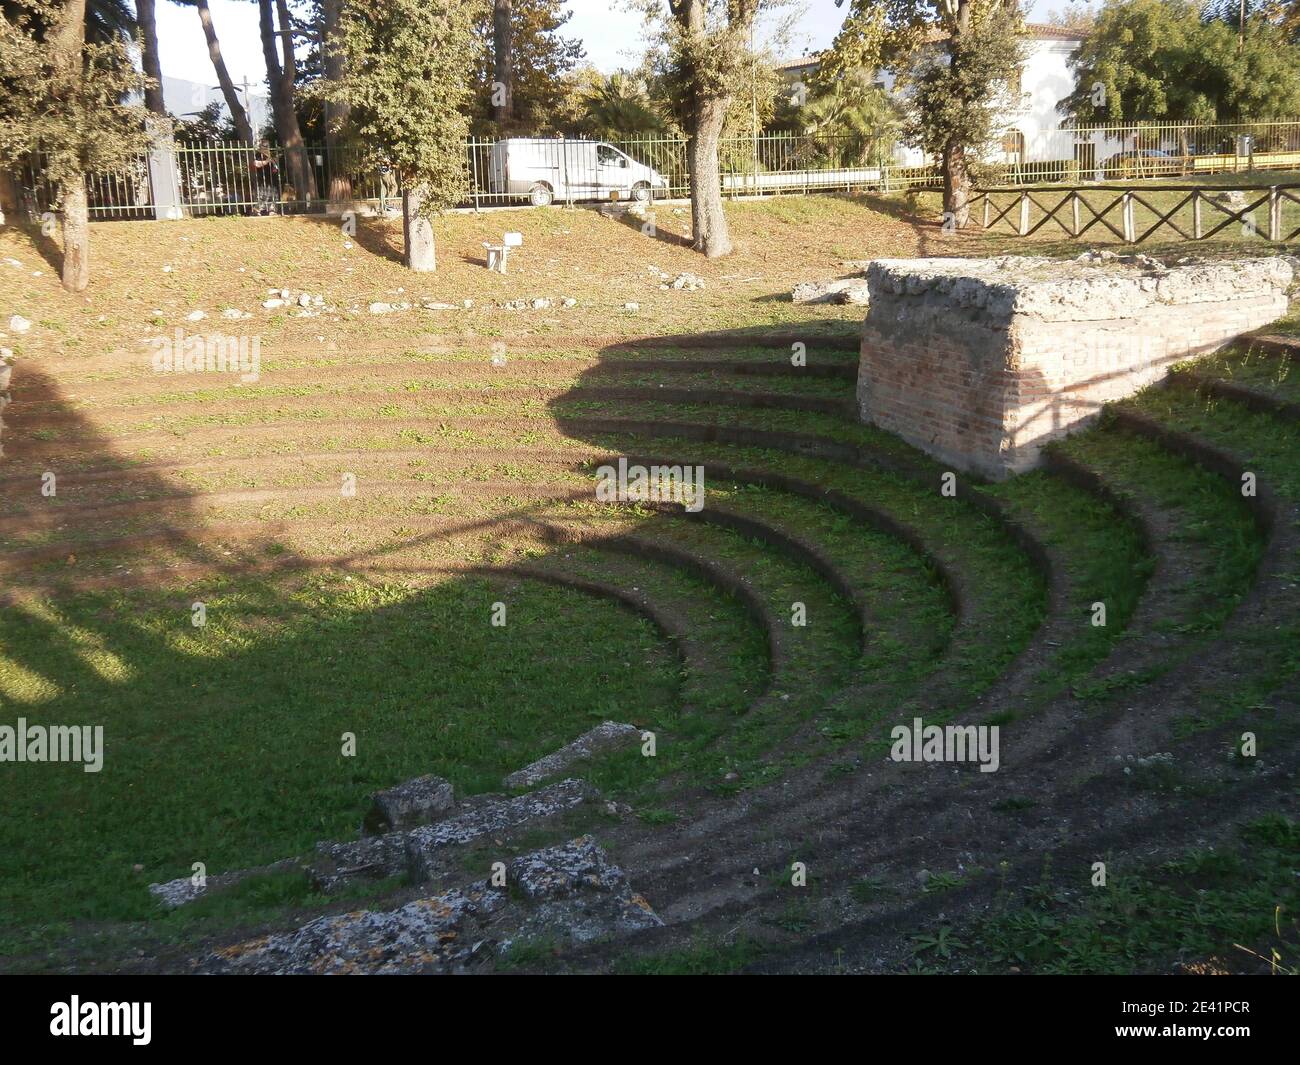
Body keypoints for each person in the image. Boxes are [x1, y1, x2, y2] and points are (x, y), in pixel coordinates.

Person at [250, 142, 280, 215]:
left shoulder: (270, 155)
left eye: (267, 146)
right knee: (262, 196)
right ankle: (256, 210)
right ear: (260, 147)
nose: (266, 147)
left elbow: (275, 167)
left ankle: (272, 210)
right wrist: (266, 161)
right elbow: (256, 164)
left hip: (272, 179)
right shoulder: (258, 155)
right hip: (263, 179)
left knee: (273, 195)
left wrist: (275, 162)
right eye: (264, 146)